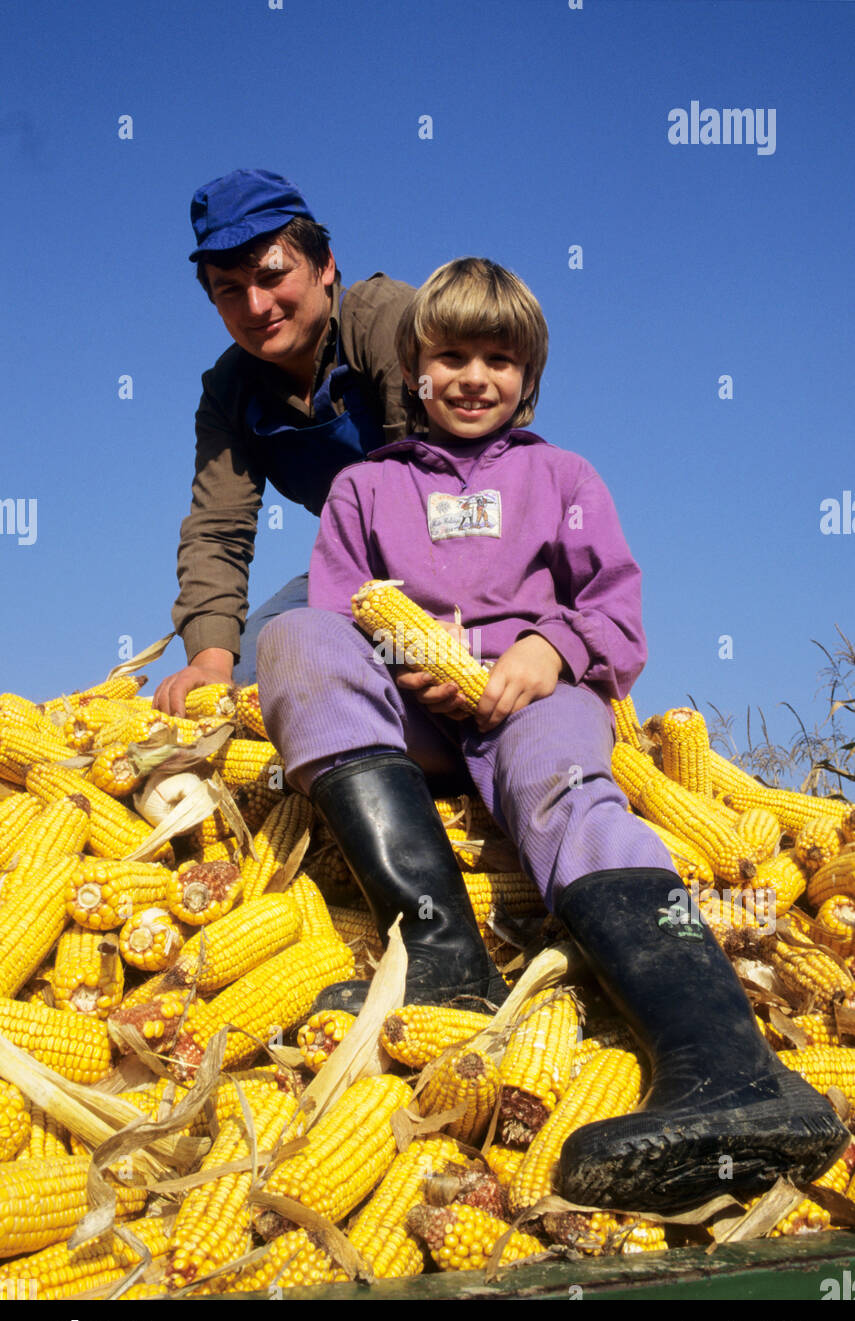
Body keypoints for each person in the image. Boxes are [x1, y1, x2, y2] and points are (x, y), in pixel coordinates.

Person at [256, 257, 847, 1214]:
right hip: (412, 716)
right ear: (414, 371)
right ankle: (443, 954)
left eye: (498, 359)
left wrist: (546, 644)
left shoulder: (563, 476)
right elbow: (337, 614)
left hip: (536, 700)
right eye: (450, 356)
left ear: (528, 379)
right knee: (290, 635)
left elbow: (614, 615)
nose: (472, 377)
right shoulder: (364, 489)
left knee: (565, 790)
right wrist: (399, 654)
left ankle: (722, 1060)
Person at [153, 169, 415, 715]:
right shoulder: (228, 390)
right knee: (250, 682)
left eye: (272, 275)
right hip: (350, 576)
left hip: (461, 552)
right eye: (229, 290)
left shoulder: (388, 321)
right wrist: (209, 660)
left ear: (325, 265)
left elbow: (445, 479)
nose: (255, 306)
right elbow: (218, 531)